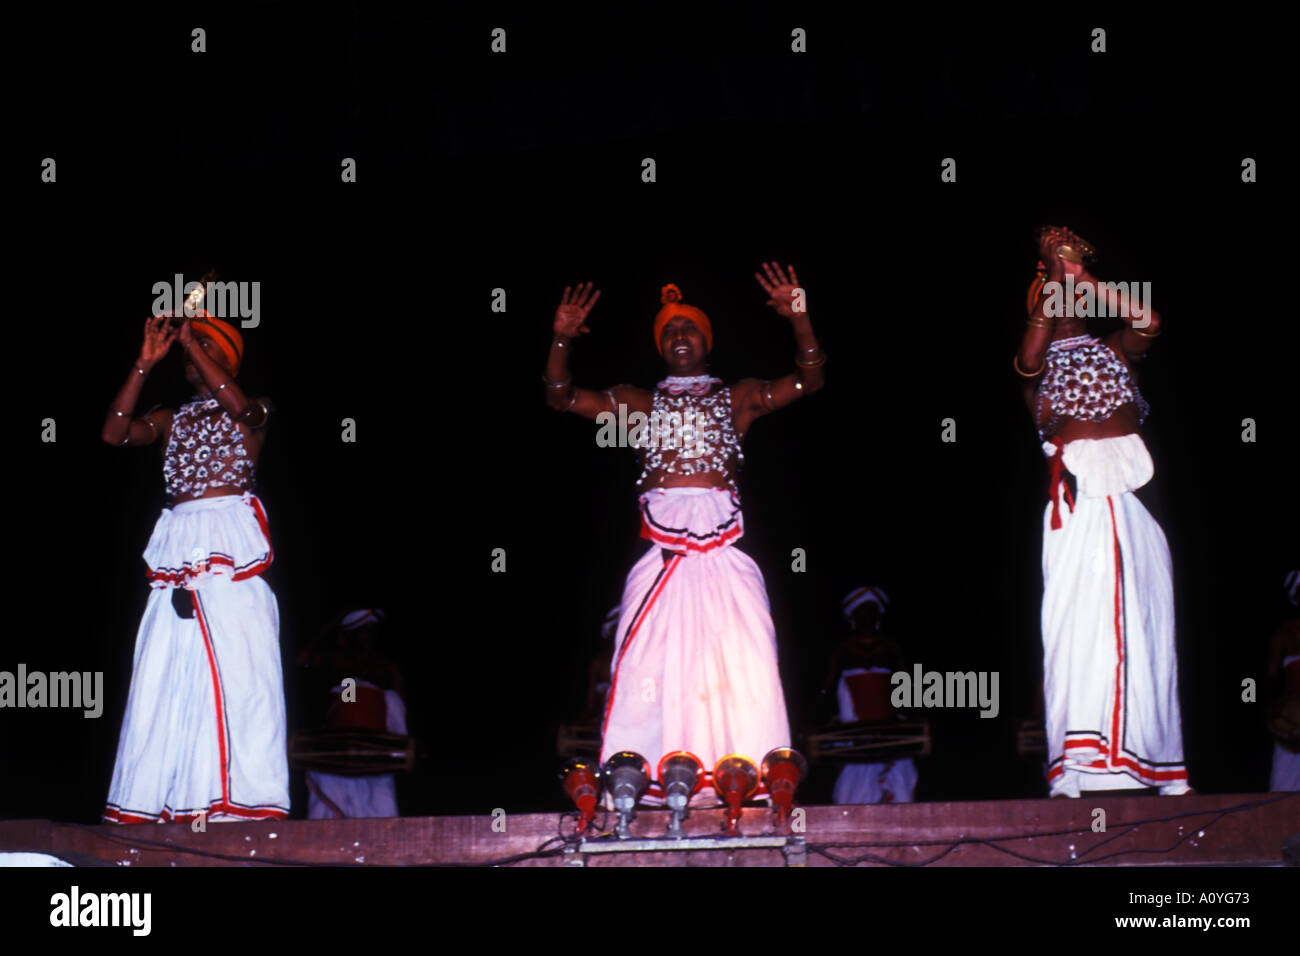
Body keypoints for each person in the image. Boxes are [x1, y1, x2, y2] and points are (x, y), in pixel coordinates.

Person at [544, 264, 825, 805]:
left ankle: (746, 783)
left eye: (688, 329)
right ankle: (649, 789)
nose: (679, 337)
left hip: (725, 555)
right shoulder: (639, 404)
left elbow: (808, 380)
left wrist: (801, 319)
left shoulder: (737, 396)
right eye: (669, 331)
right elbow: (560, 397)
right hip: (663, 553)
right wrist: (561, 336)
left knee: (745, 660)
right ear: (659, 346)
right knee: (652, 661)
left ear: (706, 342)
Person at [1014, 227, 1189, 797]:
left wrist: (1085, 278)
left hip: (1135, 500)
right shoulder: (1032, 370)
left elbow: (1151, 322)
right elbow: (1032, 352)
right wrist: (1052, 274)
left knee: (1144, 622)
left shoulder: (1117, 347)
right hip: (1077, 500)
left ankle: (1159, 763)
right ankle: (1076, 768)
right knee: (1078, 627)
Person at [100, 306, 288, 823]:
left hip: (229, 551)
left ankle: (239, 806)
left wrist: (192, 343)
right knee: (165, 670)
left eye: (205, 348)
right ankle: (161, 804)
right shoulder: (169, 417)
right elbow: (113, 434)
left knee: (236, 671)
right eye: (188, 351)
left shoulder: (256, 409)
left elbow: (239, 406)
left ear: (226, 359)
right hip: (176, 552)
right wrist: (143, 363)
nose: (190, 358)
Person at [296, 608, 408, 819]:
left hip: (375, 754)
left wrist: (398, 744)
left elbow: (398, 710)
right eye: (363, 631)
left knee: (381, 811)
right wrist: (333, 623)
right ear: (351, 635)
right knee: (351, 686)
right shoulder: (340, 661)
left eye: (373, 631)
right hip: (337, 753)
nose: (369, 637)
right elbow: (302, 660)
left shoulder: (386, 668)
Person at [824, 587, 918, 804]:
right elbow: (827, 690)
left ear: (878, 617)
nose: (867, 618)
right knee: (852, 795)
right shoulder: (842, 651)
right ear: (853, 617)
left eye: (871, 613)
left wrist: (906, 718)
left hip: (889, 732)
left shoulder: (891, 649)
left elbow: (904, 687)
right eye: (862, 613)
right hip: (853, 734)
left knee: (900, 790)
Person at [1266, 570, 1300, 791]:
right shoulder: (1283, 635)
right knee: (1282, 791)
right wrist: (1263, 711)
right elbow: (1252, 679)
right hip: (1292, 725)